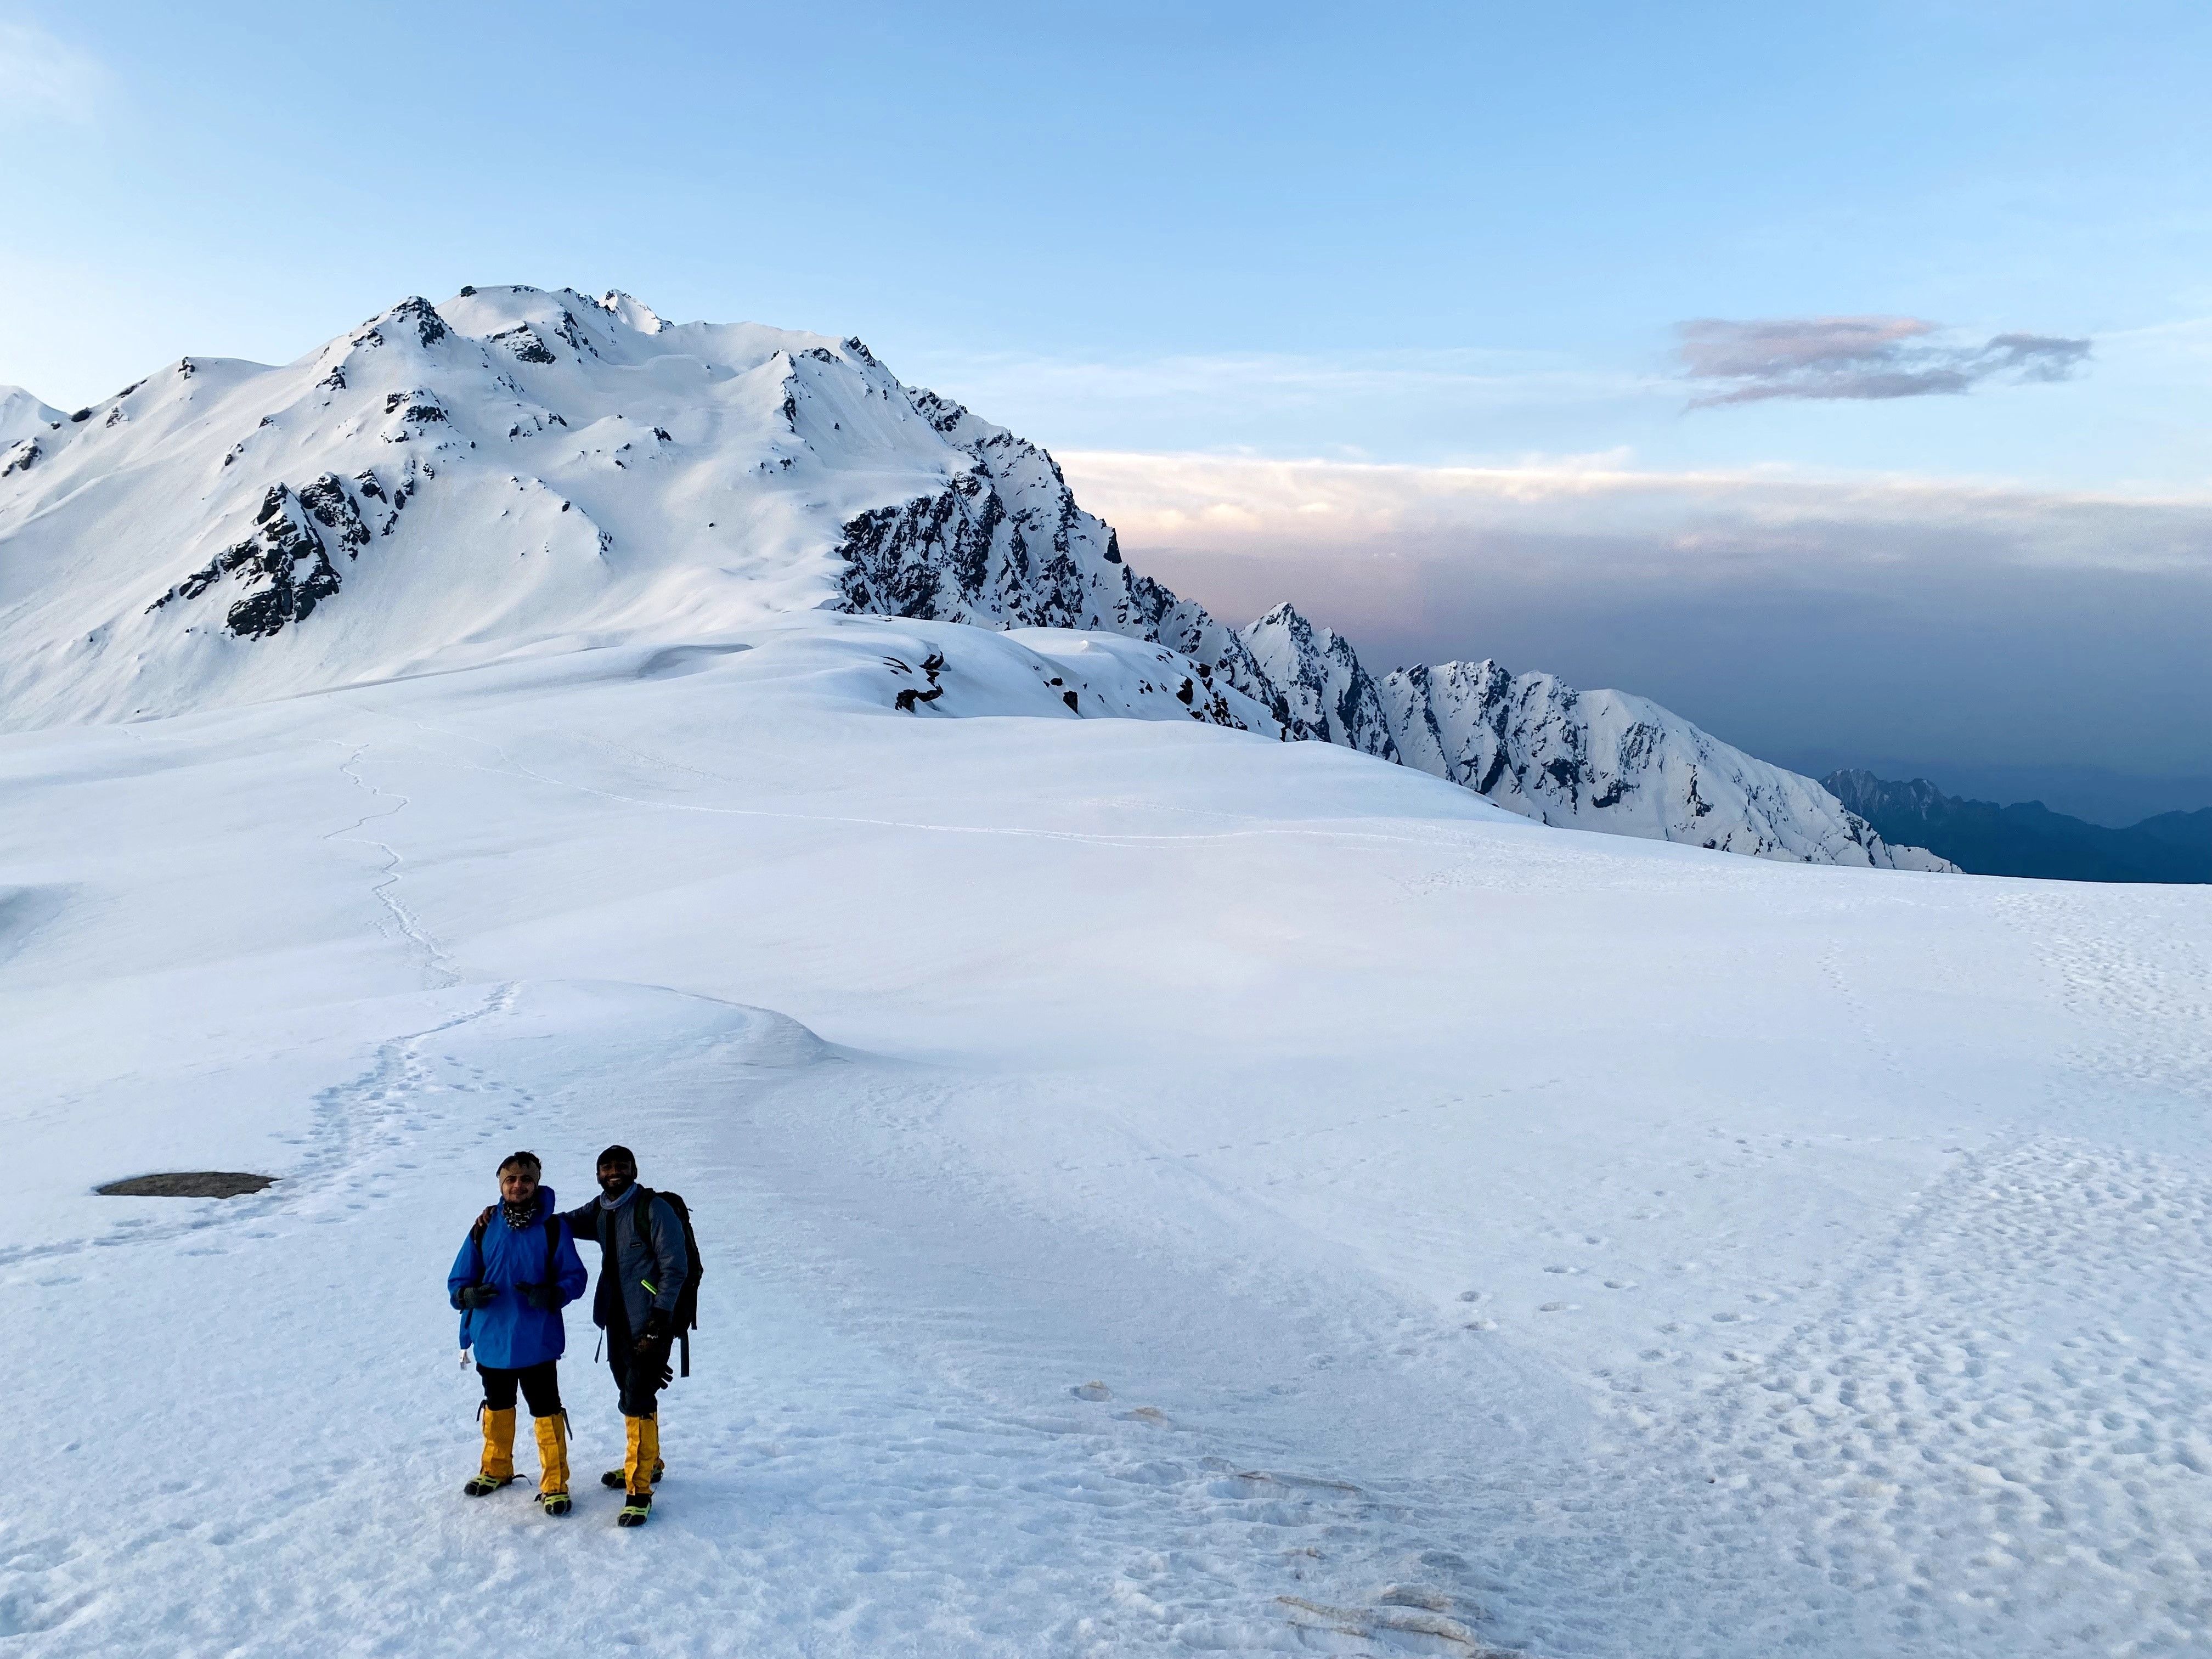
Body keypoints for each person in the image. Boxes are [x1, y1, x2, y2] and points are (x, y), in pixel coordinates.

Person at [448, 1151, 588, 1516]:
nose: (518, 1185)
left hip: (537, 1340)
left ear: (536, 1183)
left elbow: (575, 1277)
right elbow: (459, 1279)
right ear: (501, 1184)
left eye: (525, 1179)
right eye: (510, 1179)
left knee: (546, 1411)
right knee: (498, 1405)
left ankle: (555, 1483)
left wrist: (553, 1294)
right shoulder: (484, 1226)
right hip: (492, 1339)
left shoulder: (553, 1228)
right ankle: (496, 1468)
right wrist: (467, 1295)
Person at [560, 1144, 689, 1527]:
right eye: (607, 1166)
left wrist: (659, 1321)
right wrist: (504, 1216)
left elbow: (675, 1266)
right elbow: (561, 1223)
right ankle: (651, 1461)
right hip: (616, 1318)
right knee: (631, 1389)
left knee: (637, 1394)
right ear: (598, 1174)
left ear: (635, 1169)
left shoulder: (654, 1209)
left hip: (652, 1321)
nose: (614, 1171)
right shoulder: (601, 1208)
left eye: (621, 1165)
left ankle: (639, 1489)